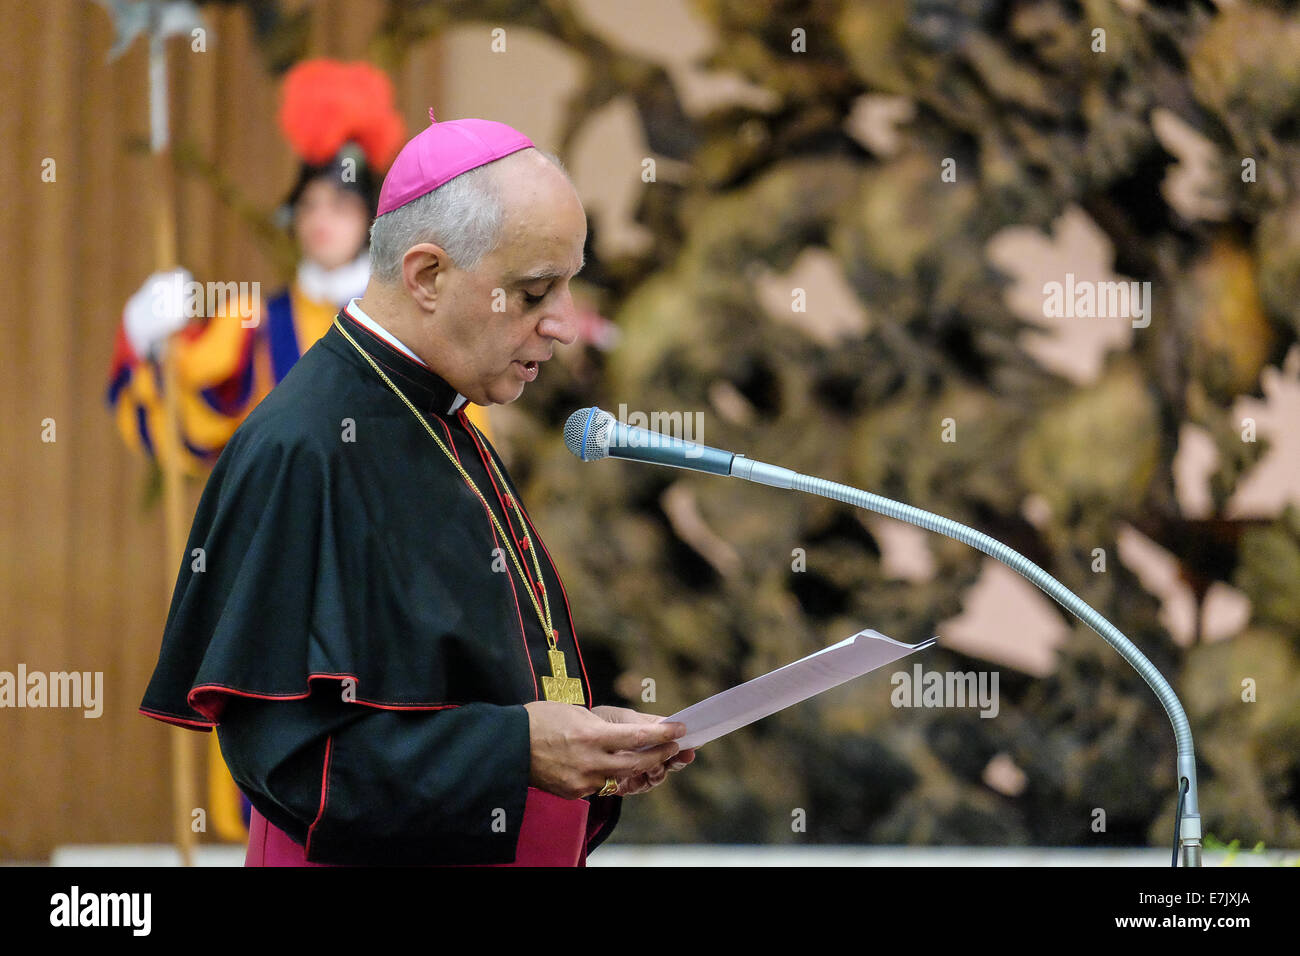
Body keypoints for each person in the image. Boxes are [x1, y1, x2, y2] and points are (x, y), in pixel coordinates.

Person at [138, 112, 695, 866]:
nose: (563, 324)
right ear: (427, 275)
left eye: (569, 287)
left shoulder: (445, 418)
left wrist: (586, 746)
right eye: (534, 292)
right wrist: (518, 749)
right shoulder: (304, 449)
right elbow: (289, 766)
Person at [106, 59, 410, 474]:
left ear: (369, 218)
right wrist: (150, 339)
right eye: (309, 205)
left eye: (340, 206)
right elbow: (195, 430)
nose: (322, 220)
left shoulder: (411, 327)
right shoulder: (255, 325)